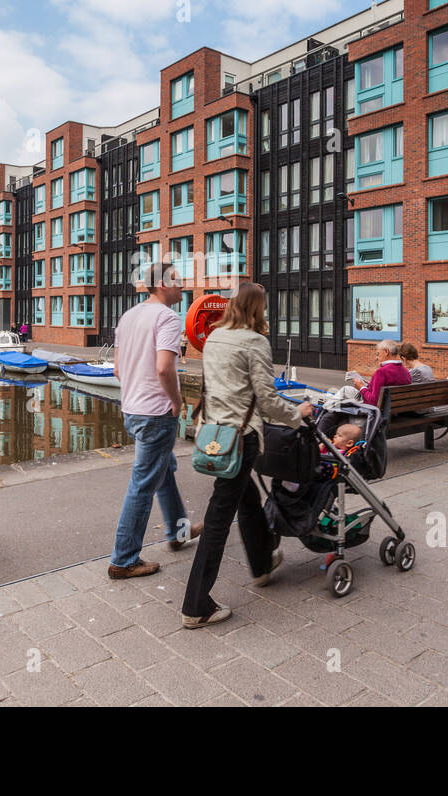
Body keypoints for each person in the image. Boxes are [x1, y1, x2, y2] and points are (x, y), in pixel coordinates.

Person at [182, 282, 312, 628]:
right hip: (242, 438)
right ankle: (196, 605)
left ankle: (262, 564)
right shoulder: (255, 342)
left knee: (247, 498)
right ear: (258, 308)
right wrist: (299, 414)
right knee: (218, 520)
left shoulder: (215, 338)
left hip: (215, 438)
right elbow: (267, 399)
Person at [108, 263, 201, 580]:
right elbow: (164, 368)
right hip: (156, 412)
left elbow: (118, 370)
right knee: (143, 485)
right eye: (177, 280)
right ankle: (123, 560)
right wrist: (176, 401)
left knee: (164, 470)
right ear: (162, 283)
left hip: (132, 409)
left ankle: (178, 532)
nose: (183, 285)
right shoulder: (167, 318)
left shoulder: (128, 316)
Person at [347, 339, 412, 406]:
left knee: (345, 390)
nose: (376, 358)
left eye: (378, 354)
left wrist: (361, 387)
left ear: (386, 352)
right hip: (397, 408)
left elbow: (373, 402)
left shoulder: (381, 372)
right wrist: (372, 384)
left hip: (377, 410)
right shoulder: (406, 371)